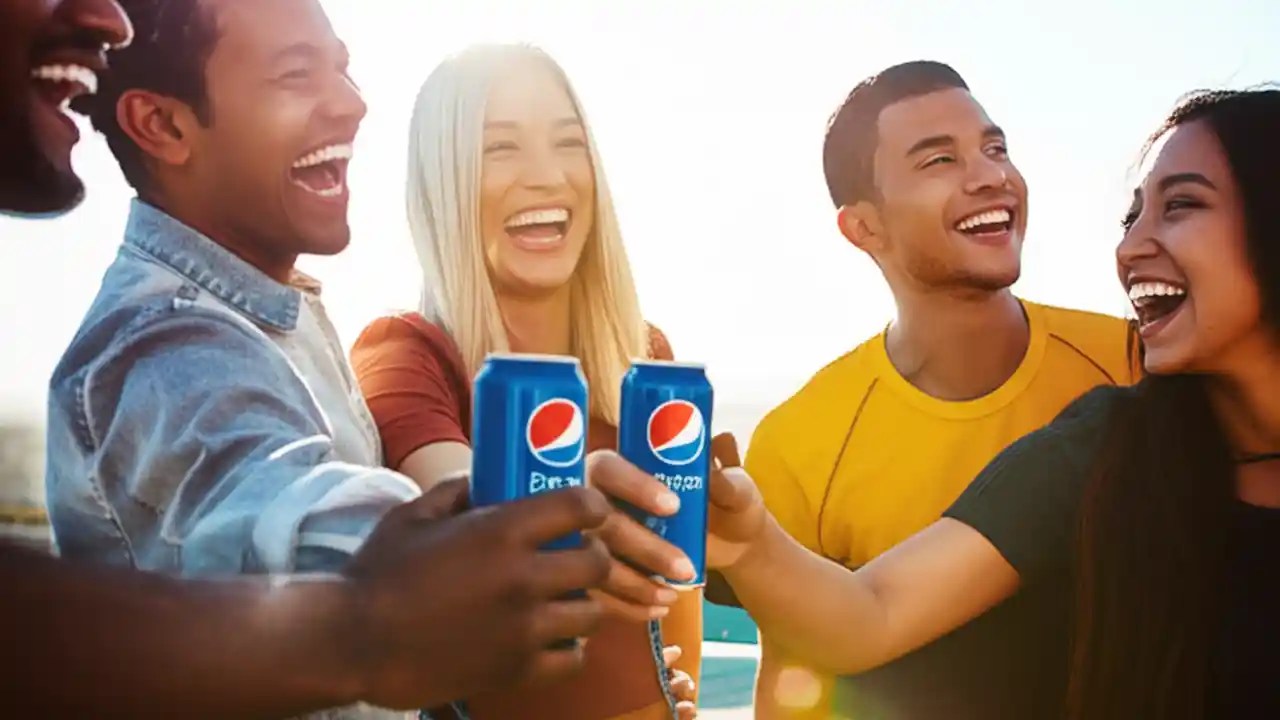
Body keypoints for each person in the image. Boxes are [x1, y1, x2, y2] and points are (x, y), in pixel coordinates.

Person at [0, 1, 678, 716]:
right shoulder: (167, 347)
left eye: (344, 69)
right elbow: (287, 521)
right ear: (164, 126)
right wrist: (548, 517)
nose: (353, 104)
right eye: (297, 75)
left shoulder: (263, 319)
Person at [707, 87, 1280, 719]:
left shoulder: (1112, 358)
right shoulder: (1104, 442)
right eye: (1132, 217)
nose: (1129, 249)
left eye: (1182, 206)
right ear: (862, 225)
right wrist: (749, 544)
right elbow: (869, 618)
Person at [350, 44, 701, 720]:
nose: (546, 177)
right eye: (499, 149)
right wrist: (583, 505)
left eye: (567, 144)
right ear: (444, 183)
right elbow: (470, 515)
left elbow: (673, 585)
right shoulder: (404, 351)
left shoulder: (645, 355)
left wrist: (667, 690)